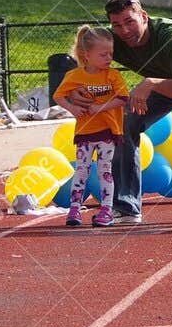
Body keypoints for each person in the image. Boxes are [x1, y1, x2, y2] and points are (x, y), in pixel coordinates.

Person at [71, 0, 172, 224]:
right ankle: (127, 207)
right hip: (160, 86)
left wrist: (149, 83)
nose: (125, 31)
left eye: (130, 21)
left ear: (144, 16)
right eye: (117, 25)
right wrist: (78, 89)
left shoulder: (171, 38)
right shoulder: (114, 40)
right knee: (123, 122)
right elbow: (90, 58)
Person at [52, 25, 130, 227]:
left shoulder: (112, 75)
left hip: (108, 132)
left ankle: (106, 209)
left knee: (105, 171)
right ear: (87, 55)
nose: (108, 58)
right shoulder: (75, 76)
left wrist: (101, 107)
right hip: (85, 132)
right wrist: (72, 108)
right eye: (103, 54)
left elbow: (123, 98)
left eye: (110, 54)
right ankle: (75, 209)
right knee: (82, 170)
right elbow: (58, 96)